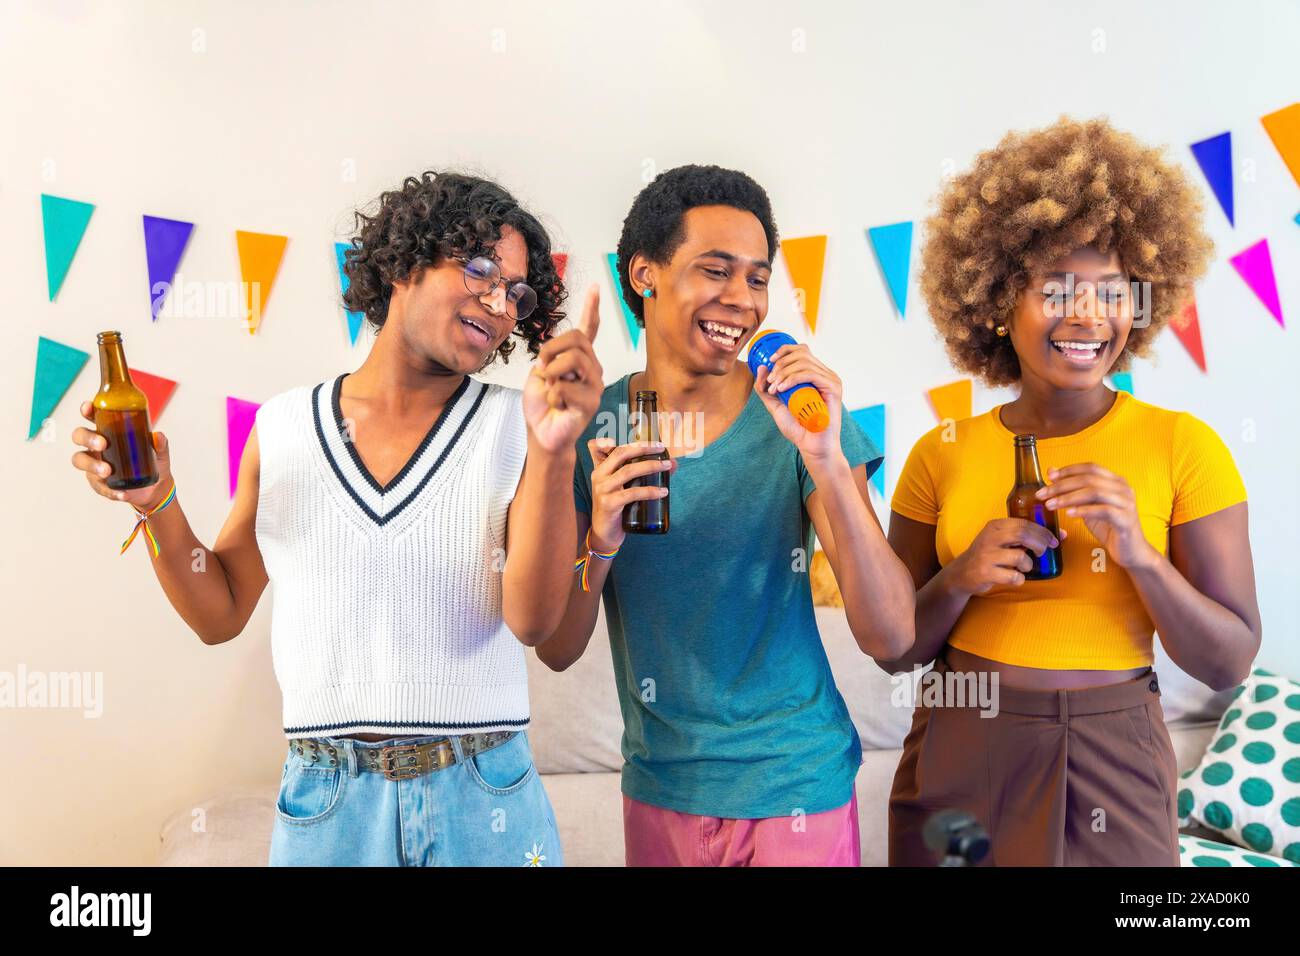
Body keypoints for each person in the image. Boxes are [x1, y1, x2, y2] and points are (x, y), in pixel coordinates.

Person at [70, 171, 604, 867]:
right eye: (479, 269)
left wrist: (556, 450)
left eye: (516, 292)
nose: (499, 301)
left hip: (484, 793)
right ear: (407, 259)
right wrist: (156, 503)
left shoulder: (520, 425)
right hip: (329, 799)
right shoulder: (286, 427)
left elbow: (536, 625)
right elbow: (219, 611)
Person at [881, 118, 1261, 866]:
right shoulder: (941, 452)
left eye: (1112, 293)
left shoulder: (1184, 446)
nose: (1088, 317)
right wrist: (962, 578)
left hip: (1114, 747)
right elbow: (899, 649)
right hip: (965, 734)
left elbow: (1228, 662)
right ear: (996, 302)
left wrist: (1143, 558)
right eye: (1056, 291)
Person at [538, 164, 915, 866]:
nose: (742, 299)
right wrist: (601, 537)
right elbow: (557, 647)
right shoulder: (589, 421)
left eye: (758, 278)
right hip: (663, 785)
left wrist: (828, 459)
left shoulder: (803, 420)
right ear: (644, 274)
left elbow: (892, 639)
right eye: (717, 271)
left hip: (797, 778)